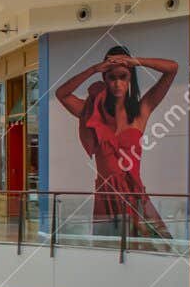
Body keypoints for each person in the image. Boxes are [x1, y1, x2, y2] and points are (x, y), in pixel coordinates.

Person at [52, 45, 180, 239]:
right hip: (106, 197)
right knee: (109, 251)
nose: (117, 83)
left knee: (157, 247)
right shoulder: (92, 113)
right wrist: (94, 69)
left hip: (135, 195)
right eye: (112, 77)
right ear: (105, 79)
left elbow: (172, 68)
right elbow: (62, 94)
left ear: (130, 79)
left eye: (123, 77)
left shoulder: (140, 112)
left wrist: (136, 62)